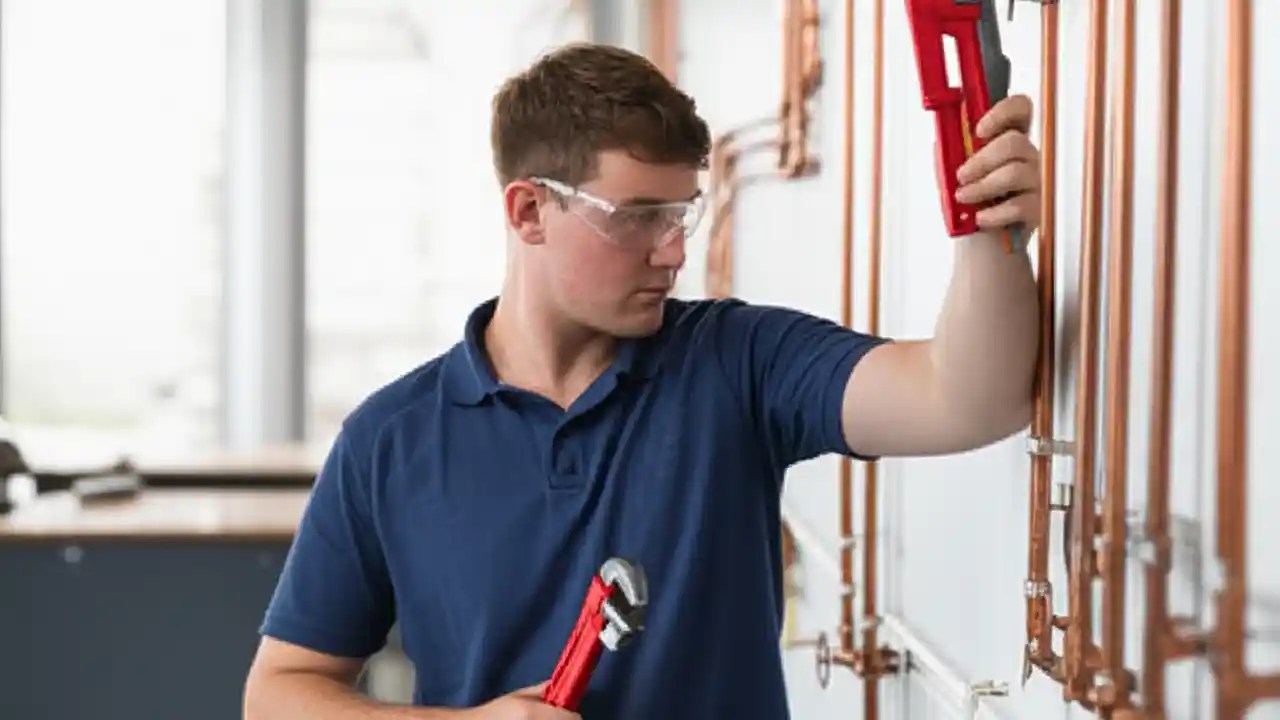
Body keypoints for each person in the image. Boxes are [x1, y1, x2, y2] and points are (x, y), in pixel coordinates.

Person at [243, 42, 1041, 719]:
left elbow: (967, 398)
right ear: (528, 212)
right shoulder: (391, 438)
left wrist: (988, 234)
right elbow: (280, 692)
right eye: (637, 217)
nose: (673, 250)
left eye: (681, 213)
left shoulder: (740, 361)